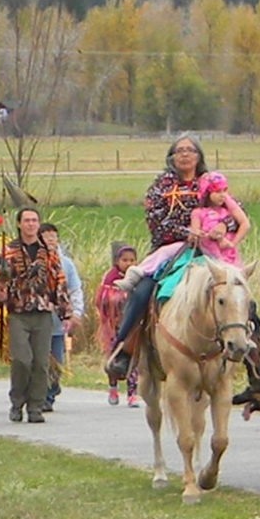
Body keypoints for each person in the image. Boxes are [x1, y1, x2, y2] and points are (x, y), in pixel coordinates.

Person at [105, 133, 211, 381]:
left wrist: (220, 227)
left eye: (190, 150)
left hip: (208, 250)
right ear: (172, 157)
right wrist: (188, 232)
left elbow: (233, 209)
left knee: (235, 287)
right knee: (142, 291)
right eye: (180, 150)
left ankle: (252, 351)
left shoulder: (211, 182)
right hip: (168, 252)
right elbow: (156, 222)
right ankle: (124, 349)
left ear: (199, 156)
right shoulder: (160, 186)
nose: (185, 154)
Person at [121, 170, 250, 293]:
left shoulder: (229, 210)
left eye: (224, 191)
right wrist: (200, 234)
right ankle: (140, 271)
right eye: (217, 191)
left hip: (225, 254)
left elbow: (244, 222)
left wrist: (232, 240)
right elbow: (192, 232)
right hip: (201, 249)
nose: (222, 195)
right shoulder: (195, 210)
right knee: (166, 252)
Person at [0, 208, 70, 423]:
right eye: (26, 220)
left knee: (40, 363)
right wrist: (0, 288)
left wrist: (65, 311)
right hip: (18, 312)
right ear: (19, 224)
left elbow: (59, 279)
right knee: (21, 360)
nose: (31, 224)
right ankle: (17, 402)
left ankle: (36, 406)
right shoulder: (8, 251)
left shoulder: (48, 252)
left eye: (34, 220)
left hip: (43, 311)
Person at [42, 222, 84, 412]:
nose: (50, 239)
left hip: (58, 323)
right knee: (39, 361)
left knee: (56, 360)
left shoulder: (66, 264)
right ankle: (39, 396)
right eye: (46, 236)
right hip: (39, 321)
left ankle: (51, 392)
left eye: (53, 235)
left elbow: (75, 289)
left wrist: (76, 313)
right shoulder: (35, 261)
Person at [97, 243, 142, 407]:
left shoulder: (138, 277)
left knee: (133, 359)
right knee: (114, 359)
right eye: (125, 260)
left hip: (132, 326)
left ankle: (132, 394)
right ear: (117, 261)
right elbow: (102, 300)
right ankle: (113, 388)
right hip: (113, 326)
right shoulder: (110, 277)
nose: (128, 263)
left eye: (132, 260)